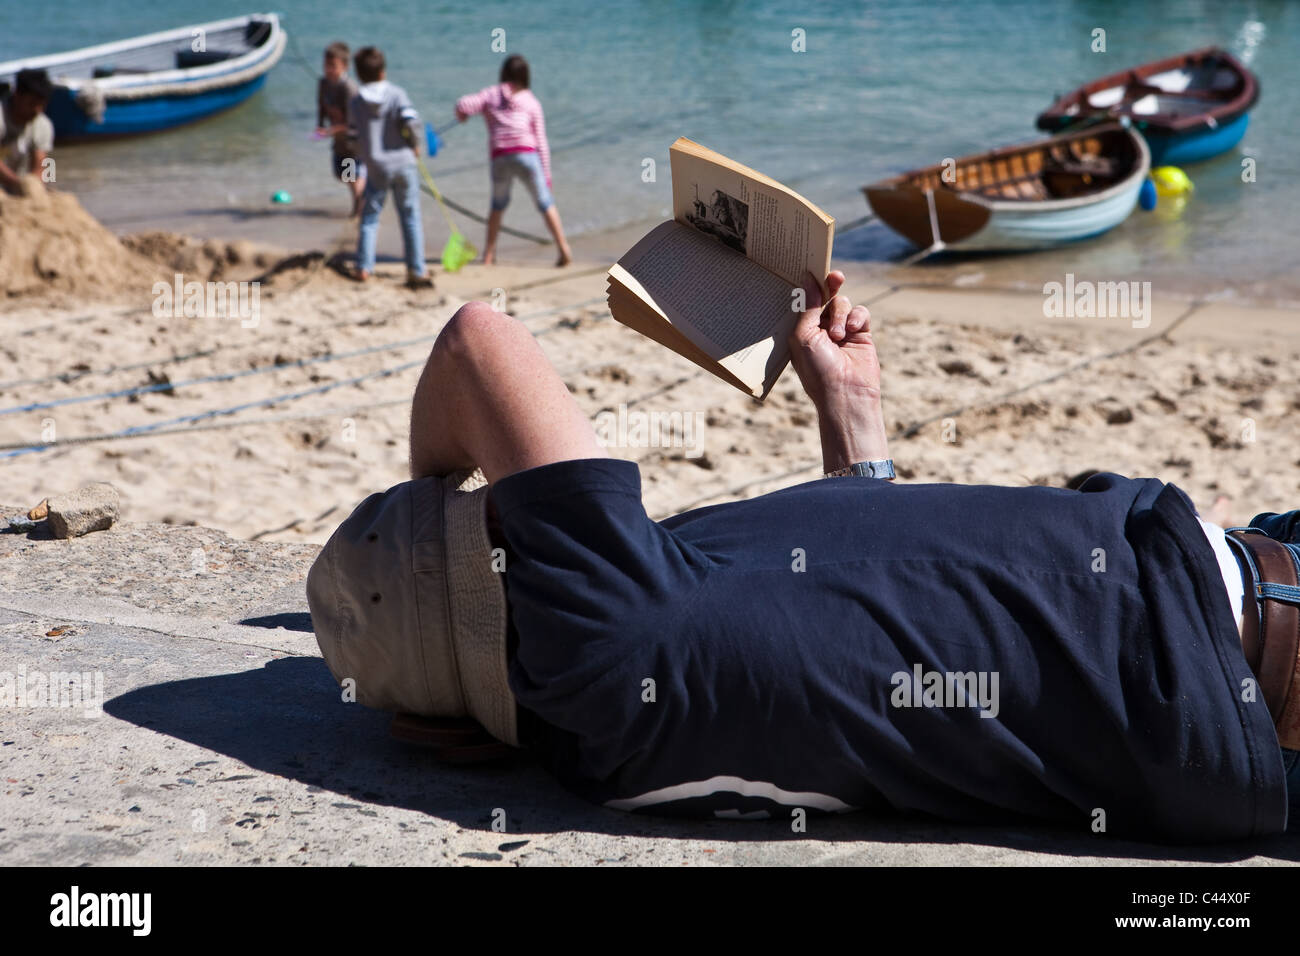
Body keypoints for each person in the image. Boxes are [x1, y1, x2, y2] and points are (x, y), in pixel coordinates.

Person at [307, 272, 1300, 844]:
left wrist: (848, 414)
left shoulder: (614, 707)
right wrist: (431, 486)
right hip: (1255, 650)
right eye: (495, 515)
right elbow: (478, 337)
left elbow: (848, 611)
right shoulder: (599, 631)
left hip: (1229, 622)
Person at [455, 54, 573, 267]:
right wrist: (547, 176)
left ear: (503, 73)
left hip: (500, 156)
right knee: (545, 203)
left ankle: (489, 255)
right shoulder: (531, 100)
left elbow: (463, 104)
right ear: (526, 76)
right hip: (526, 154)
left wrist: (462, 115)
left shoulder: (491, 94)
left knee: (497, 206)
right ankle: (563, 248)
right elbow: (541, 142)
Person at [347, 46, 431, 289]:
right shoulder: (396, 94)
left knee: (370, 217)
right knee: (410, 217)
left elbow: (352, 138)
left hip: (376, 166)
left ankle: (364, 267)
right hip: (404, 163)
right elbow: (411, 122)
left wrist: (362, 155)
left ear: (359, 74)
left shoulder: (356, 102)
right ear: (383, 72)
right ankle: (416, 269)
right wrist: (415, 146)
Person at [316, 42, 365, 216]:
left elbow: (353, 123)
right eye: (326, 65)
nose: (328, 70)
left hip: (353, 140)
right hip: (339, 140)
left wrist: (329, 131)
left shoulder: (349, 88)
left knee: (352, 176)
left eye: (333, 66)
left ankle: (359, 208)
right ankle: (361, 198)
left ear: (345, 66)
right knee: (342, 174)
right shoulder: (323, 83)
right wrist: (320, 124)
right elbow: (321, 106)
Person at [0, 68, 54, 196]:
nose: (37, 110)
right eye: (32, 104)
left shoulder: (42, 124)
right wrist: (19, 184)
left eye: (42, 105)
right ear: (17, 96)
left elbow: (42, 164)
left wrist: (35, 187)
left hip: (13, 185)